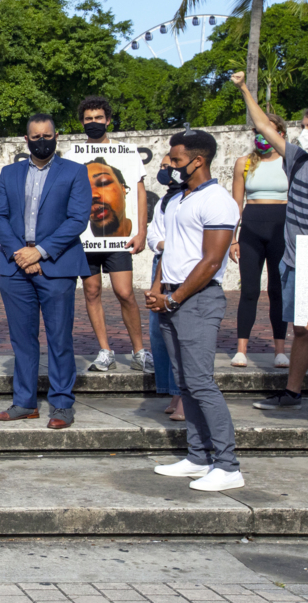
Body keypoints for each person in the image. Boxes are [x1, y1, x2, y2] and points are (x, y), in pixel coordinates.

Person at [147, 129, 244, 492]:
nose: (168, 165)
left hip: (198, 300)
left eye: (175, 160)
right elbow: (166, 251)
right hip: (171, 298)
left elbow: (211, 261)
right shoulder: (175, 199)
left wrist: (174, 298)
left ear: (197, 160)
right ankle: (198, 456)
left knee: (202, 382)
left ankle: (228, 464)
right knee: (184, 381)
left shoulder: (218, 200)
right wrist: (158, 289)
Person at [0, 114, 91, 430]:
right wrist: (21, 254)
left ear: (56, 136)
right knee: (22, 339)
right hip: (14, 264)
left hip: (56, 265)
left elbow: (77, 219)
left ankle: (61, 404)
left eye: (47, 135)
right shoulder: (9, 173)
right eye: (35, 136)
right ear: (26, 140)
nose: (42, 140)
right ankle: (24, 403)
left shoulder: (74, 172)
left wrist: (40, 251)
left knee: (60, 337)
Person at [232, 74, 308, 411]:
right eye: (304, 126)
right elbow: (263, 126)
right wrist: (245, 89)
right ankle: (292, 392)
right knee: (303, 328)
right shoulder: (297, 159)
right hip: (300, 257)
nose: (304, 131)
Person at [76, 96, 149, 373]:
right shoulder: (73, 155)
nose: (93, 123)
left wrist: (142, 231)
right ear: (82, 122)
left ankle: (140, 350)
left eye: (98, 118)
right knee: (91, 291)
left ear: (108, 119)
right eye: (88, 119)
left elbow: (140, 192)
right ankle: (105, 351)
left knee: (125, 292)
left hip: (119, 242)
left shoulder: (127, 153)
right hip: (85, 240)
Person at [229, 115, 289, 368]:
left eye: (267, 133)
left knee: (277, 291)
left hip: (282, 229)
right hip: (252, 229)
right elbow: (236, 204)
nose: (261, 138)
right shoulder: (243, 163)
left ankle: (280, 351)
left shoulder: (290, 162)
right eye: (258, 133)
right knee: (250, 291)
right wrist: (233, 239)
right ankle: (241, 350)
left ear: (281, 135)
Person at [146, 155, 185, 420]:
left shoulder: (197, 198)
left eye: (169, 165)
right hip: (162, 263)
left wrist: (173, 244)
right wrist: (165, 245)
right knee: (159, 330)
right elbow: (153, 236)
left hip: (188, 266)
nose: (165, 171)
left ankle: (185, 394)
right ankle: (173, 390)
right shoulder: (164, 201)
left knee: (185, 331)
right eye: (161, 167)